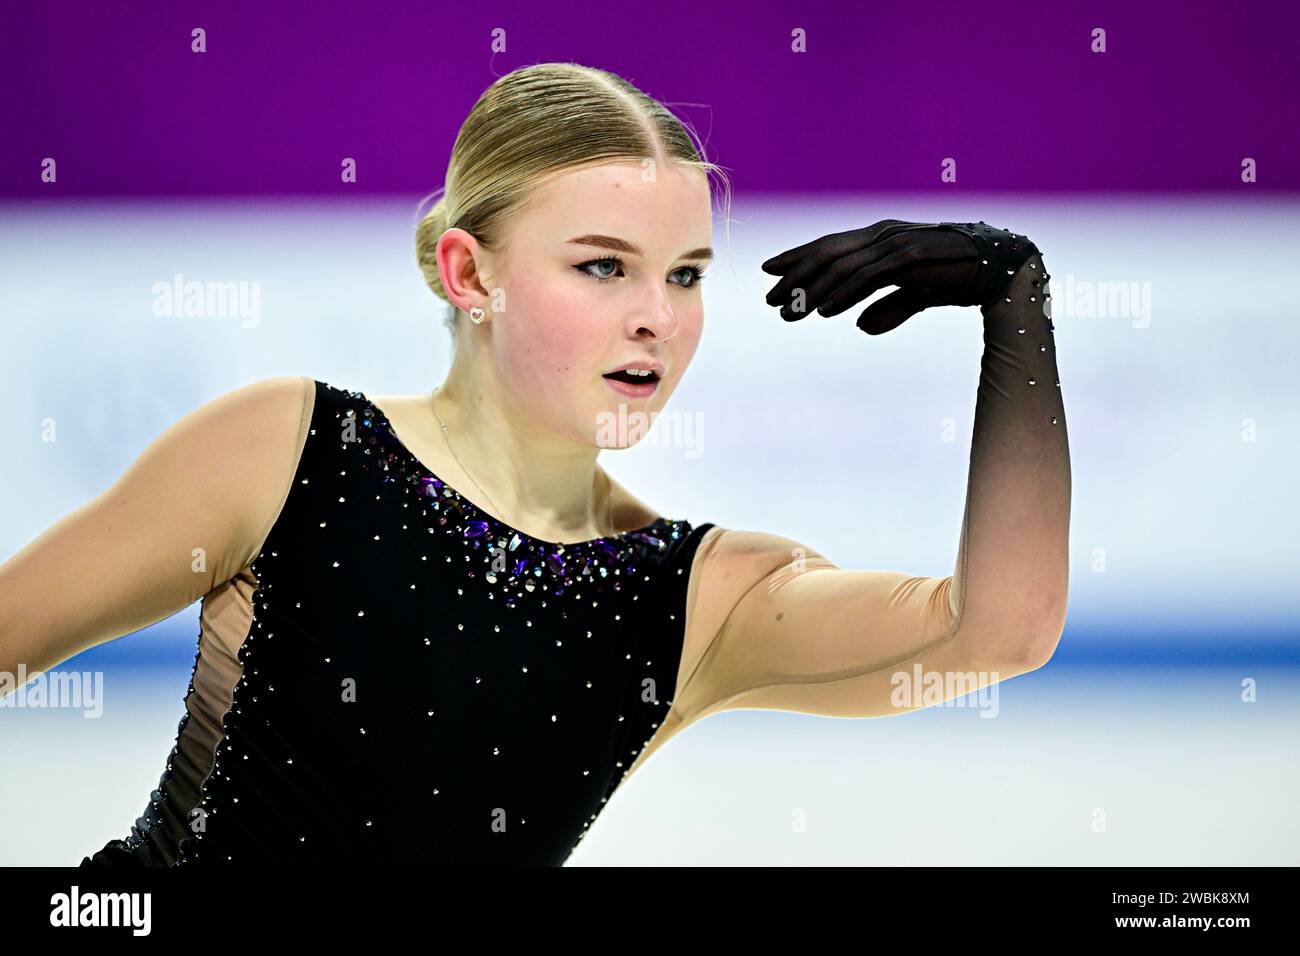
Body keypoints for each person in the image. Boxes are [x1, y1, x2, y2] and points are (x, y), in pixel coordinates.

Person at [0, 62, 1070, 866]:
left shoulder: (697, 597)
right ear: (471, 272)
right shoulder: (290, 450)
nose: (657, 316)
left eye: (686, 274)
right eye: (603, 266)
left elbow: (998, 631)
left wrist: (1014, 300)